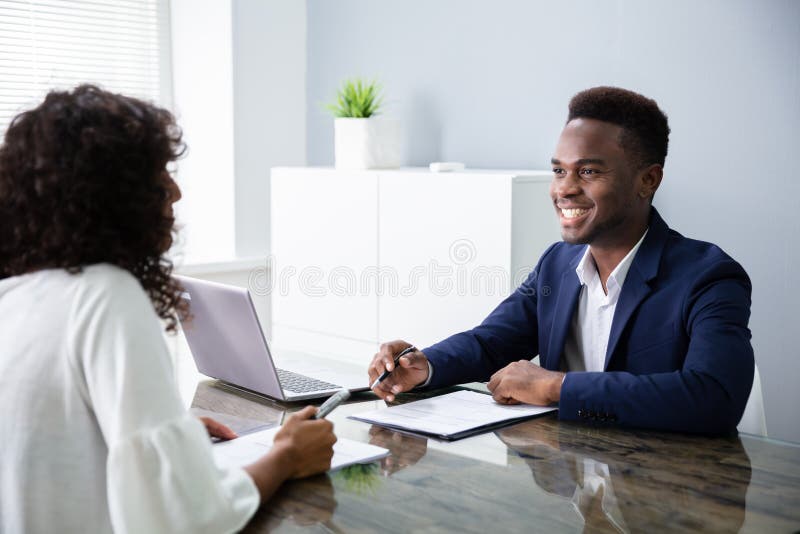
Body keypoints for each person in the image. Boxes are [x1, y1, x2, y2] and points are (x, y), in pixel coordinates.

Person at [0, 85, 336, 534]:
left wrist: (170, 435)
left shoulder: (15, 296)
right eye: (158, 174)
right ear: (108, 196)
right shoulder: (104, 295)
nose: (174, 192)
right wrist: (287, 455)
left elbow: (54, 451)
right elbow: (185, 521)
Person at [369, 86, 754, 434]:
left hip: (665, 490)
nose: (565, 189)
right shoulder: (557, 262)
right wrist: (424, 365)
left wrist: (556, 386)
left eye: (587, 171)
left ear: (647, 181)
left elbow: (714, 396)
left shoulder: (708, 277)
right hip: (569, 482)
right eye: (558, 170)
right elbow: (492, 343)